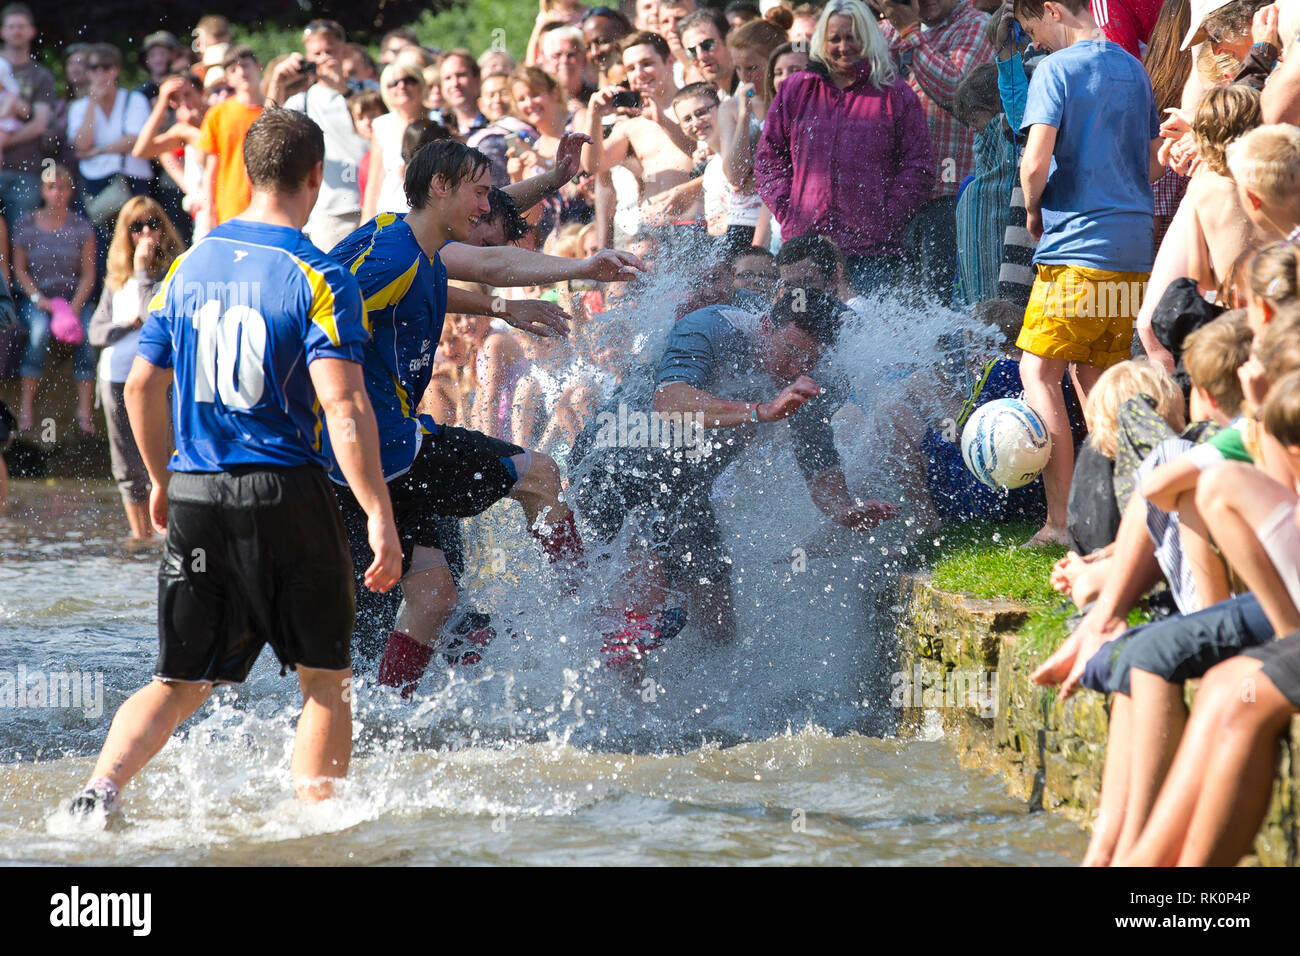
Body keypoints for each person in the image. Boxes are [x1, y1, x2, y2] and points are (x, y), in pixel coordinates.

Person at [64, 108, 401, 822]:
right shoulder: (320, 273)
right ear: (316, 176)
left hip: (195, 491)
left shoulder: (188, 267)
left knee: (179, 679)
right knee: (323, 680)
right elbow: (344, 409)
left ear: (244, 174)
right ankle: (316, 827)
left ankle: (98, 793)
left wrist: (160, 480)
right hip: (286, 489)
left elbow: (137, 386)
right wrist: (378, 513)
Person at [327, 139, 646, 697]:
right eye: (477, 190)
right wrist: (581, 265)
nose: (487, 204)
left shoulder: (408, 239)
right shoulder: (392, 257)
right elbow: (490, 261)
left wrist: (547, 185)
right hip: (381, 451)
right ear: (440, 188)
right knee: (540, 474)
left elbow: (468, 262)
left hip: (372, 454)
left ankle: (386, 713)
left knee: (433, 597)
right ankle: (597, 623)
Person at [569, 287, 899, 649]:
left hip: (681, 486)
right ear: (766, 326)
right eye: (789, 352)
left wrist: (843, 510)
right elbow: (670, 399)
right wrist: (761, 410)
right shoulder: (712, 327)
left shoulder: (806, 381)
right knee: (642, 592)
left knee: (719, 626)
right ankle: (613, 689)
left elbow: (818, 461)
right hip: (615, 463)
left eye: (806, 362)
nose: (793, 370)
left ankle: (689, 698)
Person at [1012, 0, 1163, 548]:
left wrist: (1033, 209)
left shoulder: (1057, 70)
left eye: (1034, 29)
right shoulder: (1132, 66)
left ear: (1052, 9)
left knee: (1039, 375)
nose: (1036, 43)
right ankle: (1140, 509)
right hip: (1130, 251)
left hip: (1079, 250)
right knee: (1096, 378)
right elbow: (1154, 161)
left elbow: (1034, 164)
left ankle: (1061, 524)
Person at [756, 0, 934, 295]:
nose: (843, 46)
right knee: (805, 333)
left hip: (873, 253)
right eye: (834, 39)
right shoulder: (796, 88)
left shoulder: (895, 93)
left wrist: (889, 217)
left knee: (868, 335)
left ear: (868, 38)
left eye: (852, 37)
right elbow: (769, 159)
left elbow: (919, 166)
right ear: (821, 42)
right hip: (805, 251)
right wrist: (788, 211)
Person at [872, 0, 995, 301]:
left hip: (949, 195)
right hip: (896, 198)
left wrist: (911, 34)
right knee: (897, 312)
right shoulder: (885, 30)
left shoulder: (976, 25)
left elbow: (959, 93)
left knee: (940, 306)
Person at [87, 197, 184, 539]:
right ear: (124, 234)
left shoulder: (171, 272)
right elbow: (96, 332)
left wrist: (143, 272)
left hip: (157, 380)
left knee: (161, 456)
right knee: (126, 465)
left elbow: (152, 312)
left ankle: (167, 536)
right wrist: (127, 326)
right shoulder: (116, 279)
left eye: (152, 224)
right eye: (136, 226)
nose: (146, 233)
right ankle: (139, 538)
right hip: (114, 378)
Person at [583, 31, 703, 247]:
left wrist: (662, 121)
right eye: (631, 68)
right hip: (650, 232)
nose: (639, 74)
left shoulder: (697, 106)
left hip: (694, 226)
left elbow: (704, 154)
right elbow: (593, 164)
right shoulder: (632, 126)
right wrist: (594, 116)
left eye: (647, 63)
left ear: (669, 61)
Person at [268, 19, 369, 252]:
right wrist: (277, 83)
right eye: (317, 53)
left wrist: (343, 88)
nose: (324, 58)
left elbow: (376, 118)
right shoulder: (302, 101)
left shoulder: (367, 90)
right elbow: (265, 134)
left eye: (330, 51)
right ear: (307, 57)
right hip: (328, 212)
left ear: (343, 51)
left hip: (372, 203)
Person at [12, 164, 96, 434]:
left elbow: (88, 274)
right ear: (43, 190)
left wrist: (73, 308)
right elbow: (20, 269)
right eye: (51, 187)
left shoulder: (82, 227)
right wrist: (39, 298)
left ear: (71, 192)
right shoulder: (25, 225)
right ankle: (26, 409)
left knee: (89, 338)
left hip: (74, 300)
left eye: (62, 187)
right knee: (38, 335)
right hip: (38, 300)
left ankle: (84, 411)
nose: (57, 193)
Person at [69, 43, 154, 267]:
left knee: (135, 243)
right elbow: (81, 144)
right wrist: (93, 103)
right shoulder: (80, 107)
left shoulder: (134, 100)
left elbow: (134, 141)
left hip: (132, 181)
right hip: (95, 184)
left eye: (105, 67)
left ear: (116, 70)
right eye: (93, 68)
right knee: (98, 248)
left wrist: (98, 150)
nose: (99, 73)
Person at [132, 72, 207, 243]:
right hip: (204, 209)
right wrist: (161, 103)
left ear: (201, 92)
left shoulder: (219, 117)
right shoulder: (182, 131)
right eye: (176, 99)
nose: (184, 104)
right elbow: (141, 150)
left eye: (188, 95)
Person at [0, 3, 55, 230]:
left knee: (21, 238)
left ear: (32, 31)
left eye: (21, 26)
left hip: (25, 170)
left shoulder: (41, 76)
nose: (16, 31)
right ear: (2, 31)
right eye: (11, 26)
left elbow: (39, 125)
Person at [197, 45, 264, 227]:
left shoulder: (273, 112)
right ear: (228, 78)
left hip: (268, 210)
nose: (241, 72)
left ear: (259, 66)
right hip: (230, 210)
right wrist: (209, 213)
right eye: (234, 69)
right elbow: (211, 169)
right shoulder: (218, 114)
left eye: (246, 65)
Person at [362, 59, 427, 220]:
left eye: (409, 80)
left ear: (421, 84)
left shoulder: (437, 122)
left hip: (427, 216)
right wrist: (366, 223)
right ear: (385, 89)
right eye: (394, 83)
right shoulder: (381, 125)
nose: (402, 86)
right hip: (388, 214)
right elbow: (375, 180)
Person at [678, 8, 737, 93]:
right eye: (692, 52)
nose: (701, 56)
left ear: (728, 41)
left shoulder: (755, 85)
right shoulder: (715, 100)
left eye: (707, 45)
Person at [438, 49, 489, 137]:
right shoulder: (439, 128)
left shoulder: (494, 119)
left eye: (460, 75)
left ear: (477, 78)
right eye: (447, 78)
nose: (455, 83)